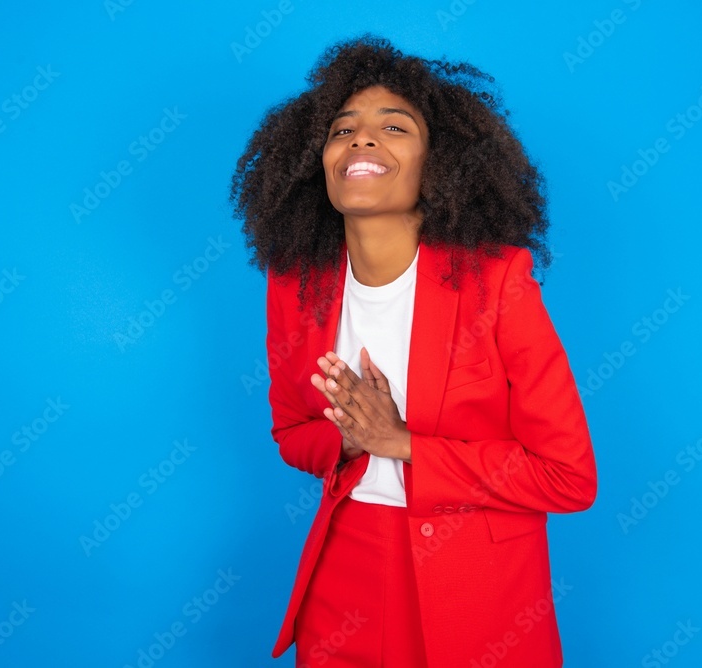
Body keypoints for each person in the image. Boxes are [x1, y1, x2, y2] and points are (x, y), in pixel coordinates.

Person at [231, 35, 597, 668]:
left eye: (393, 127)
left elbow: (567, 478)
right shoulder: (296, 286)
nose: (362, 140)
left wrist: (399, 442)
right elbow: (293, 432)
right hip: (345, 572)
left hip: (475, 587)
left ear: (441, 164)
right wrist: (348, 439)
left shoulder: (498, 282)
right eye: (342, 129)